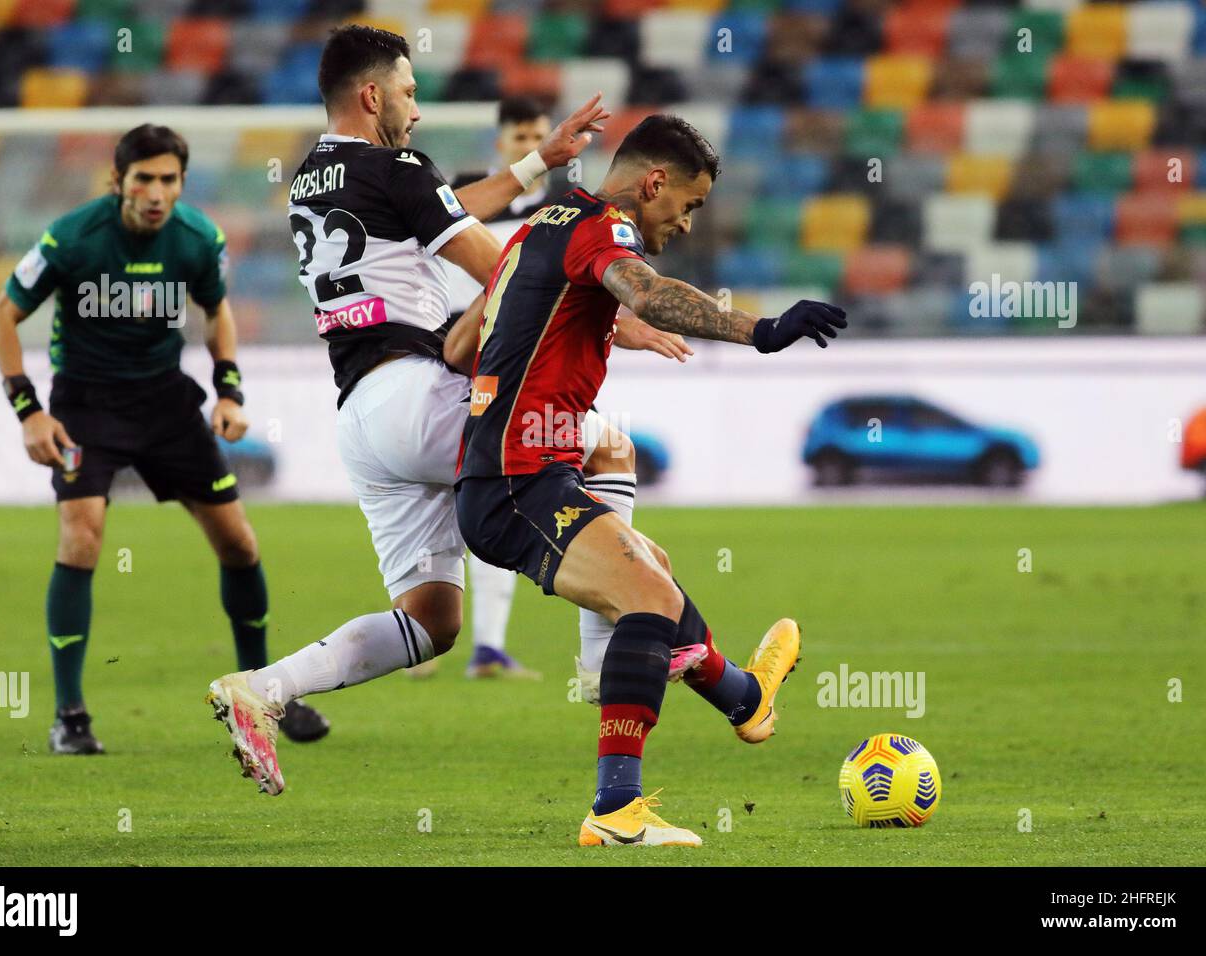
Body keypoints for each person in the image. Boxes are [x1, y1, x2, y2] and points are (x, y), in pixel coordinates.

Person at [203, 26, 674, 794]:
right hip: (420, 395)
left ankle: (264, 689)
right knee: (607, 446)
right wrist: (620, 320)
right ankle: (601, 656)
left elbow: (443, 205)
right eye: (410, 91)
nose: (416, 109)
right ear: (372, 94)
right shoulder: (397, 166)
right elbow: (513, 270)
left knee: (430, 619)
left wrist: (538, 163)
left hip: (361, 417)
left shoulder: (312, 178)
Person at [453, 114, 849, 846]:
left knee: (654, 576)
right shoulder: (604, 227)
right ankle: (617, 812)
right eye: (688, 206)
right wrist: (760, 329)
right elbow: (646, 292)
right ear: (654, 183)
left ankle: (745, 697)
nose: (689, 225)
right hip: (516, 477)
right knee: (648, 595)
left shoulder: (544, 223)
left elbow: (459, 346)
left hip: (515, 467)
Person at [0, 124, 328, 754]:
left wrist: (229, 391)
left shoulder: (199, 239)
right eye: (143, 179)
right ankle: (70, 714)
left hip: (166, 403)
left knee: (239, 543)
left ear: (181, 183)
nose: (156, 192)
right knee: (82, 535)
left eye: (168, 180)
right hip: (85, 405)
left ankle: (264, 694)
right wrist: (27, 410)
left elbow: (216, 307)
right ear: (118, 181)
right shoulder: (72, 238)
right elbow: (1, 315)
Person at [440, 95, 693, 680]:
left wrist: (609, 322)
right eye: (520, 137)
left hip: (501, 367)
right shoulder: (480, 203)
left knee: (603, 454)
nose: (531, 144)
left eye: (539, 135)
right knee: (510, 492)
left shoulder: (553, 216)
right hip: (473, 372)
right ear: (501, 144)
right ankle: (600, 640)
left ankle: (501, 642)